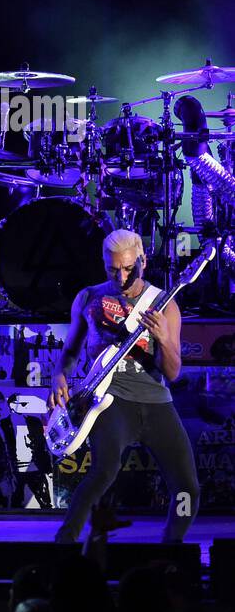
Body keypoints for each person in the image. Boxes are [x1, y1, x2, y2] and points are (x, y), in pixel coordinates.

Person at [49, 229, 199, 543]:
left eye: (129, 268)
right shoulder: (89, 298)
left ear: (143, 260)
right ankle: (64, 545)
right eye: (113, 269)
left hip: (156, 401)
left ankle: (172, 547)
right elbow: (70, 353)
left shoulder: (164, 303)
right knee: (104, 471)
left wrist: (162, 340)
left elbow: (172, 372)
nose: (122, 277)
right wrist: (59, 376)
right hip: (109, 398)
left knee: (188, 488)